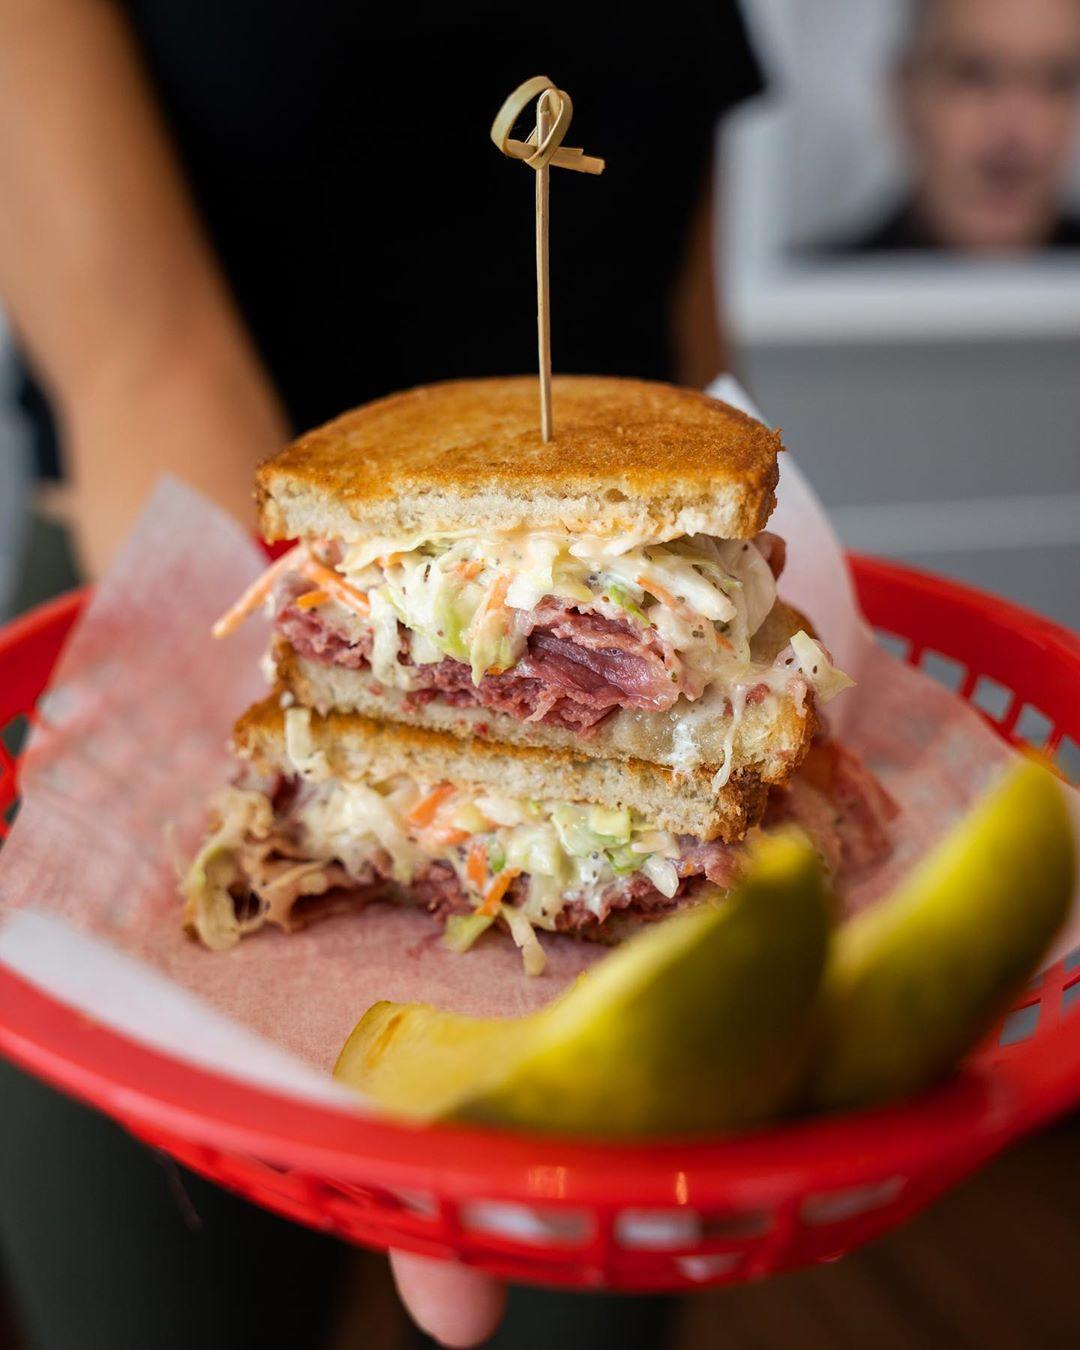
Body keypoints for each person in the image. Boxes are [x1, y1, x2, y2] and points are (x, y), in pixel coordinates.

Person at [0, 2, 765, 1346]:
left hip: (650, 583)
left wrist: (745, 641)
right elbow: (147, 363)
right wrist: (345, 796)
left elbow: (693, 331)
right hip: (173, 601)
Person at [846, 0, 1080, 253]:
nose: (1015, 129)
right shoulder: (820, 286)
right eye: (974, 75)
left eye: (1055, 80)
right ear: (904, 95)